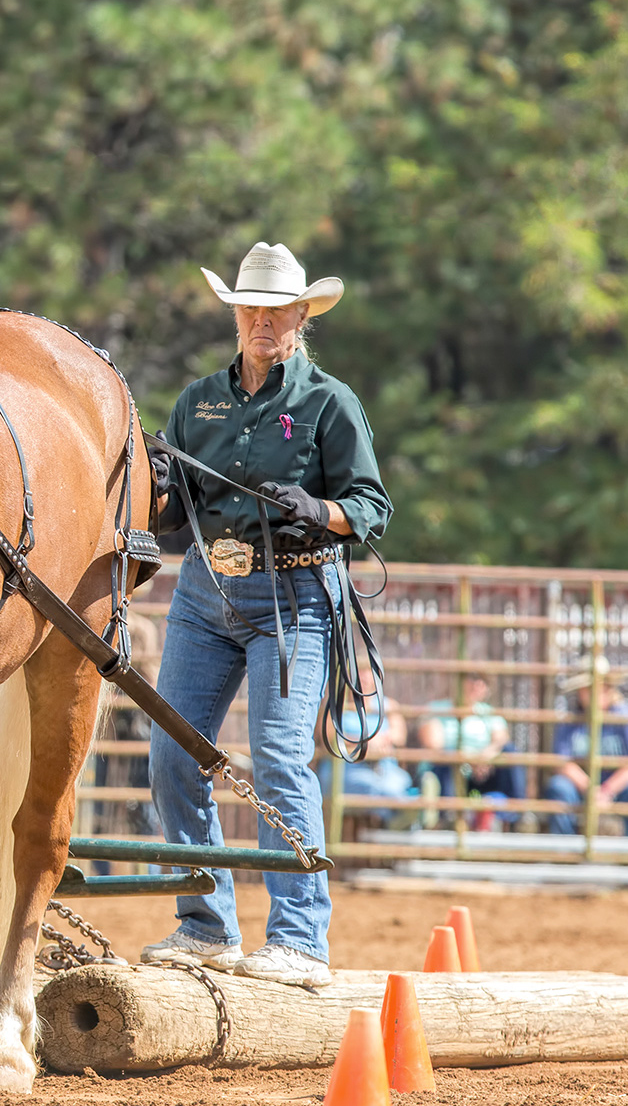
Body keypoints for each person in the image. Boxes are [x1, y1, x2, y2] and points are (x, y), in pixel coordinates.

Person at [142, 242, 392, 987]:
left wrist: (319, 509)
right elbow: (173, 512)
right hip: (202, 594)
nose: (262, 321)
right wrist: (158, 487)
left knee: (279, 758)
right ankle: (206, 925)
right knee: (172, 754)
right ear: (236, 313)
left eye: (277, 310)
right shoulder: (197, 401)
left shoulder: (329, 403)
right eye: (250, 307)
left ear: (302, 316)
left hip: (296, 598)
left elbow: (371, 507)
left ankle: (299, 938)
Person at [546, 658, 628, 838]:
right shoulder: (571, 720)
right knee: (558, 788)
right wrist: (590, 789)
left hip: (618, 787)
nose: (586, 694)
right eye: (584, 689)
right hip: (581, 786)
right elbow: (562, 762)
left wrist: (606, 790)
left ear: (607, 688)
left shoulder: (626, 719)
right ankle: (564, 848)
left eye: (592, 688)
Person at [415, 674, 526, 827]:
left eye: (483, 682)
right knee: (447, 759)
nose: (477, 685)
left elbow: (501, 740)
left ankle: (515, 813)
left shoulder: (489, 713)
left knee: (510, 752)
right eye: (473, 679)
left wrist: (485, 757)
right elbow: (434, 744)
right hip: (448, 773)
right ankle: (450, 816)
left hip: (482, 771)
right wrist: (468, 760)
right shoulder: (437, 709)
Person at [315, 659, 412, 824]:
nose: (364, 678)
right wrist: (364, 744)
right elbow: (329, 738)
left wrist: (382, 741)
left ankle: (403, 815)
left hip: (383, 769)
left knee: (400, 782)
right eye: (359, 672)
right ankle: (402, 815)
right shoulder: (336, 705)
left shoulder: (387, 705)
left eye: (368, 672)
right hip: (347, 770)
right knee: (379, 789)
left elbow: (399, 735)